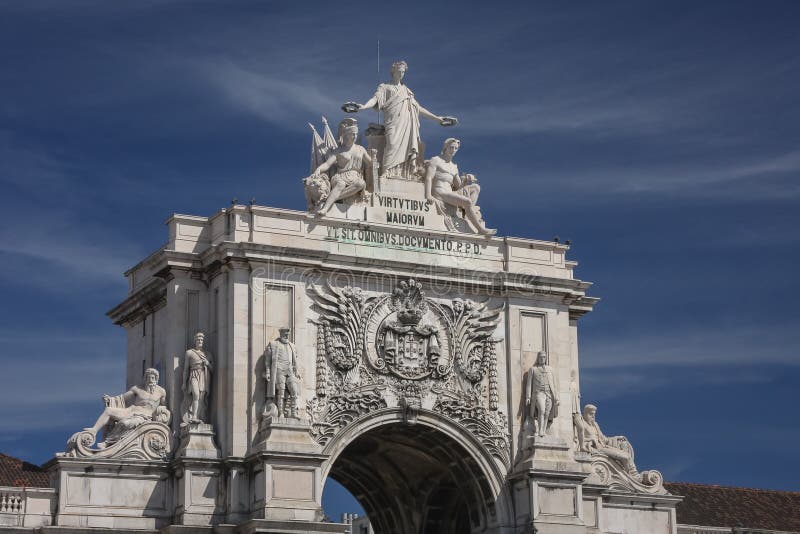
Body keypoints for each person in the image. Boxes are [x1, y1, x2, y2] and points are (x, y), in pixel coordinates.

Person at [347, 60, 456, 177]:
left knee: (407, 148)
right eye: (399, 71)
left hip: (407, 123)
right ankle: (387, 171)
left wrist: (437, 118)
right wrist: (364, 106)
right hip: (393, 121)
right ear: (393, 71)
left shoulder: (407, 91)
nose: (401, 73)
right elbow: (375, 99)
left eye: (403, 72)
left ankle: (404, 173)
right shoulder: (385, 87)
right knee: (392, 144)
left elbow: (418, 108)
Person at [425, 138, 496, 235]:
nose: (453, 150)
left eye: (456, 148)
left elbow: (459, 187)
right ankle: (480, 229)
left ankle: (468, 212)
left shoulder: (454, 167)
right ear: (446, 147)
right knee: (467, 201)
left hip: (450, 193)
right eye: (451, 147)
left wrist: (466, 179)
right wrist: (428, 195)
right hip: (440, 192)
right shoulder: (436, 160)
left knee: (476, 187)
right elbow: (429, 178)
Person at [84, 368, 169, 448]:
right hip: (131, 411)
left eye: (152, 378)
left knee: (124, 423)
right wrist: (110, 399)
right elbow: (122, 398)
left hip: (145, 416)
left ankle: (107, 442)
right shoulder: (137, 389)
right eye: (148, 378)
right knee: (108, 410)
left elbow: (164, 405)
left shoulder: (161, 392)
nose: (150, 380)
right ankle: (94, 430)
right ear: (145, 379)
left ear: (156, 379)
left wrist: (162, 409)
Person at [312, 119, 372, 214]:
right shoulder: (338, 151)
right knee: (341, 184)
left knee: (361, 183)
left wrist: (375, 160)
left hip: (355, 177)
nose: (355, 136)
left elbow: (370, 163)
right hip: (340, 176)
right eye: (352, 134)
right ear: (346, 135)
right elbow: (327, 164)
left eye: (356, 134)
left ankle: (331, 198)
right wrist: (318, 169)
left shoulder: (361, 149)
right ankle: (325, 208)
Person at [580, 404, 638, 475]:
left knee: (627, 455)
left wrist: (617, 438)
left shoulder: (595, 425)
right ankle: (633, 476)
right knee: (625, 457)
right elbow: (578, 439)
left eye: (594, 414)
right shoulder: (582, 424)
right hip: (597, 448)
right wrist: (590, 440)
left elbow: (604, 439)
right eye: (591, 414)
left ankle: (633, 475)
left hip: (603, 446)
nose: (593, 416)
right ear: (585, 414)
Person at [264, 327, 301, 419]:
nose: (286, 336)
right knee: (281, 392)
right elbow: (267, 361)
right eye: (285, 335)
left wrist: (297, 371)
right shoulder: (273, 344)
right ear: (281, 334)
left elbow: (294, 360)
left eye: (287, 335)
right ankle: (281, 413)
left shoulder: (292, 346)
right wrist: (268, 372)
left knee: (294, 390)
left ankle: (293, 413)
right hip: (279, 370)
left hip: (290, 371)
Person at [525, 351, 559, 437]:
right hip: (539, 393)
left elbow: (555, 385)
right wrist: (528, 397)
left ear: (545, 358)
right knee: (542, 410)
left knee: (547, 413)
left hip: (549, 394)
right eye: (540, 357)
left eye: (543, 357)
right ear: (538, 358)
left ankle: (543, 431)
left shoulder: (550, 369)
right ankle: (540, 430)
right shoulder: (533, 369)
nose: (542, 358)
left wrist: (557, 397)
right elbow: (529, 384)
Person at [181, 332, 212, 425]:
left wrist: (208, 363)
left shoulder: (207, 354)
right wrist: (184, 383)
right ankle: (194, 417)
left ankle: (198, 417)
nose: (200, 341)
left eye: (201, 340)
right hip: (194, 374)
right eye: (198, 339)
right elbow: (186, 369)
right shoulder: (189, 352)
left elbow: (213, 369)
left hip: (204, 375)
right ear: (195, 340)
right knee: (196, 395)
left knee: (201, 398)